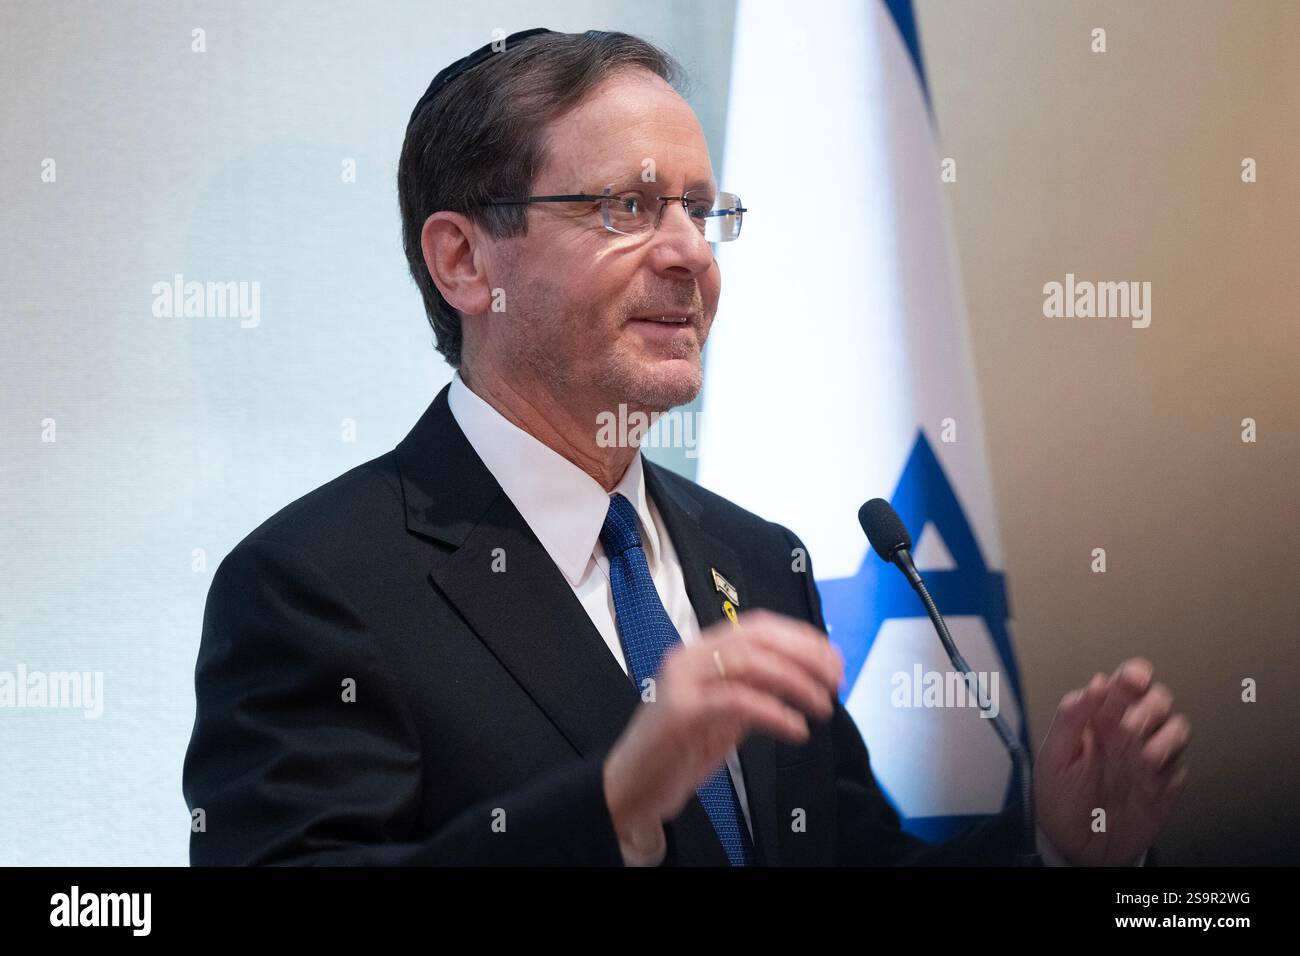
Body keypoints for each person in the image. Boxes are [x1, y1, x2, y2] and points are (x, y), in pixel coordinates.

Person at [182, 28, 1189, 866]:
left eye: (702, 212)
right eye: (627, 206)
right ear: (463, 259)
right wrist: (615, 803)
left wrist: (1056, 845)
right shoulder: (317, 584)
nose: (688, 255)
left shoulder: (758, 559)